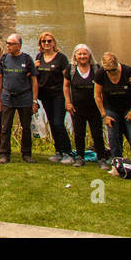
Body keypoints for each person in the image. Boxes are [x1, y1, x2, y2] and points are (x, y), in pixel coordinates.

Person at [97, 50, 131, 166]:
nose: (111, 73)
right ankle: (117, 161)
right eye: (108, 71)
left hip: (129, 107)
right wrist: (104, 115)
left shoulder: (127, 71)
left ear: (117, 65)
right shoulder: (100, 73)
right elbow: (97, 96)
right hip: (111, 108)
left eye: (113, 70)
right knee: (113, 135)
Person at [64, 43, 109, 165]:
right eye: (79, 54)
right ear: (75, 56)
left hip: (94, 108)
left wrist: (103, 106)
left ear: (89, 55)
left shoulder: (97, 69)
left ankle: (102, 158)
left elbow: (102, 89)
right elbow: (66, 86)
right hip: (77, 108)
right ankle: (80, 157)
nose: (82, 56)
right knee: (79, 133)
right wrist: (68, 102)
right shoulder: (71, 69)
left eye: (85, 54)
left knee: (97, 133)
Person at [0, 32, 38, 163]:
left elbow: (34, 81)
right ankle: (4, 154)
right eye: (7, 43)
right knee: (5, 127)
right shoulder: (3, 59)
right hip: (7, 97)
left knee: (26, 127)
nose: (7, 46)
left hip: (24, 98)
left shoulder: (27, 59)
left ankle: (26, 154)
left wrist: (34, 100)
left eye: (11, 44)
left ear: (19, 46)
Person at [35, 30, 74, 163]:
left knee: (58, 123)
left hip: (59, 95)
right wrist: (34, 68)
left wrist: (68, 97)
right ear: (40, 43)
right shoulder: (39, 57)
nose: (46, 43)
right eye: (44, 41)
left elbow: (67, 79)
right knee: (52, 123)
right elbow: (36, 77)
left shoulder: (61, 58)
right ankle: (58, 151)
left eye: (49, 41)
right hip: (45, 96)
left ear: (54, 43)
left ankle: (68, 152)